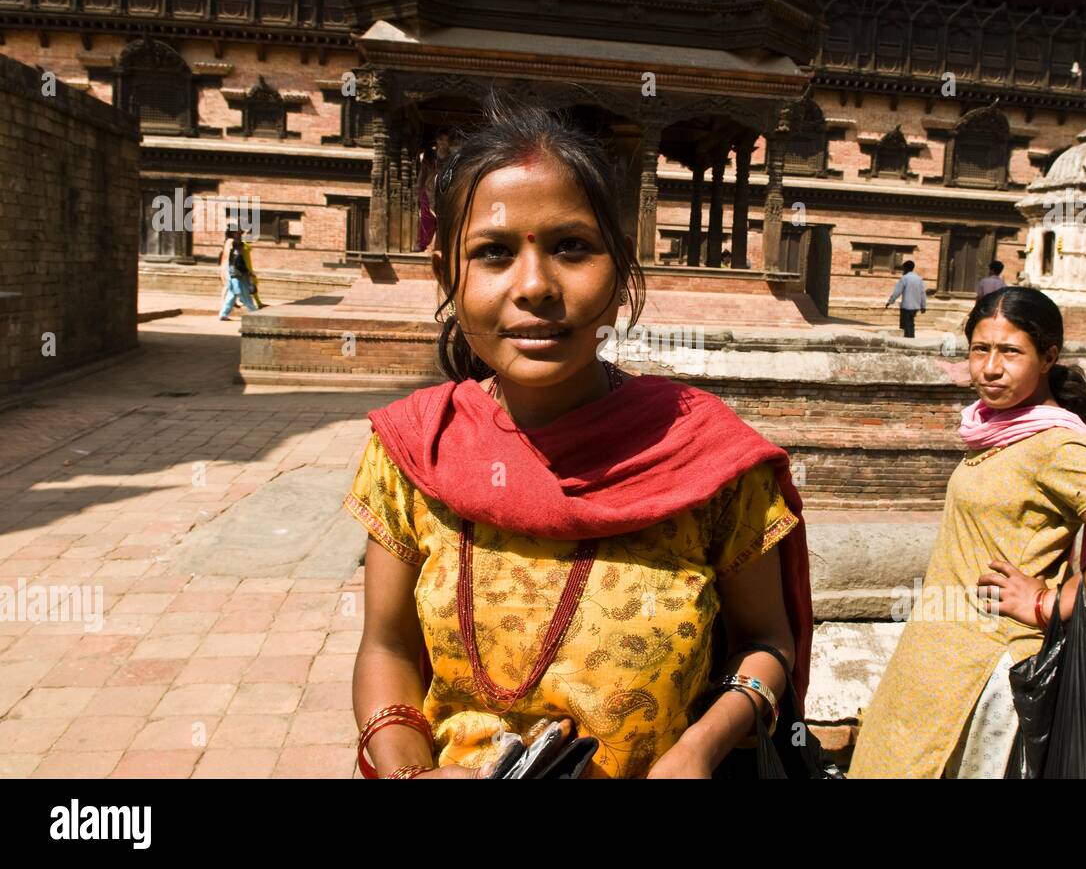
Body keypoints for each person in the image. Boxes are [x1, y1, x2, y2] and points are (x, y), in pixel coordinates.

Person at [345, 94, 815, 779]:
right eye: (494, 253)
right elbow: (384, 645)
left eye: (572, 247)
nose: (535, 285)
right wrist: (407, 769)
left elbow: (767, 641)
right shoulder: (414, 450)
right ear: (447, 272)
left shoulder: (709, 457)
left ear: (620, 276)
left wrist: (699, 748)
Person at [847, 286, 1086, 778]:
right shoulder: (996, 428)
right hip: (938, 658)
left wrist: (1046, 604)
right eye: (980, 349)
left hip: (989, 674)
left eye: (1011, 352)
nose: (990, 368)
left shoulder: (1055, 444)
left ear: (1048, 358)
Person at [218, 230, 260, 320]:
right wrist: (249, 273)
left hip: (233, 276)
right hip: (239, 278)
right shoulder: (237, 256)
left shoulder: (233, 255)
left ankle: (223, 314)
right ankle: (254, 313)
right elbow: (240, 267)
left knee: (231, 296)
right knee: (245, 297)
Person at [885, 260, 926, 338]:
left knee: (905, 325)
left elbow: (897, 292)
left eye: (903, 269)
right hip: (915, 307)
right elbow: (922, 293)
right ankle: (911, 340)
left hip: (906, 306)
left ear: (906, 268)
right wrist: (923, 306)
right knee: (910, 324)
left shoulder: (904, 278)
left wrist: (890, 301)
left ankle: (907, 341)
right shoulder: (918, 279)